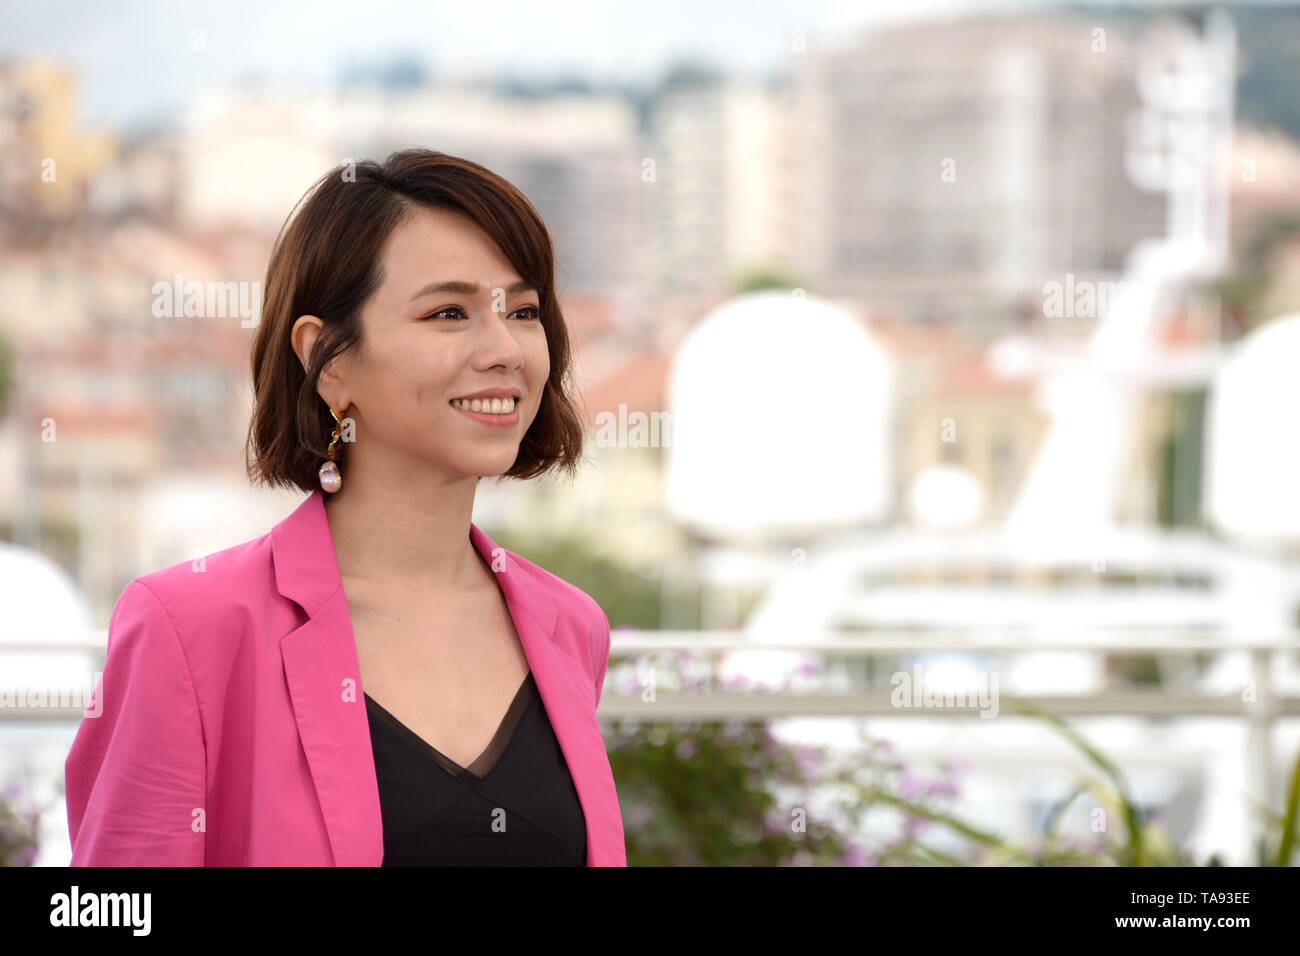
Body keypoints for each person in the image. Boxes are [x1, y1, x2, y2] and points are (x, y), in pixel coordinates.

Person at [64, 149, 626, 866]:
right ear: (329, 360)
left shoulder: (570, 626)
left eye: (523, 310)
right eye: (448, 312)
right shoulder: (191, 629)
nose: (504, 349)